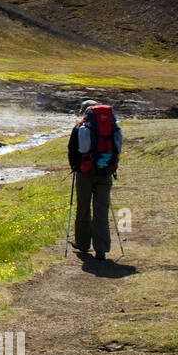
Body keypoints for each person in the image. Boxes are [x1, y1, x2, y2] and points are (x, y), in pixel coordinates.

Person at [67, 98, 122, 260]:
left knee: (83, 208)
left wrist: (76, 168)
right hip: (105, 172)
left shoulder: (80, 127)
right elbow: (116, 148)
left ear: (83, 112)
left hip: (84, 173)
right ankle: (101, 249)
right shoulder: (112, 127)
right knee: (101, 210)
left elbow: (72, 151)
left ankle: (82, 244)